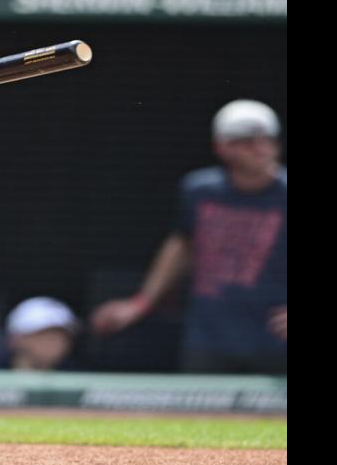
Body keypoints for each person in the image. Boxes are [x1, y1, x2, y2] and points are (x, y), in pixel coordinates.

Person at [92, 99, 288, 374]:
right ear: (222, 147)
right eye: (246, 141)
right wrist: (141, 302)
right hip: (210, 334)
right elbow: (181, 245)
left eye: (267, 139)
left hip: (276, 337)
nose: (260, 148)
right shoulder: (199, 190)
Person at [4, 297, 79, 372]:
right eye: (43, 335)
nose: (53, 344)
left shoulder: (78, 375)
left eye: (62, 337)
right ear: (17, 339)